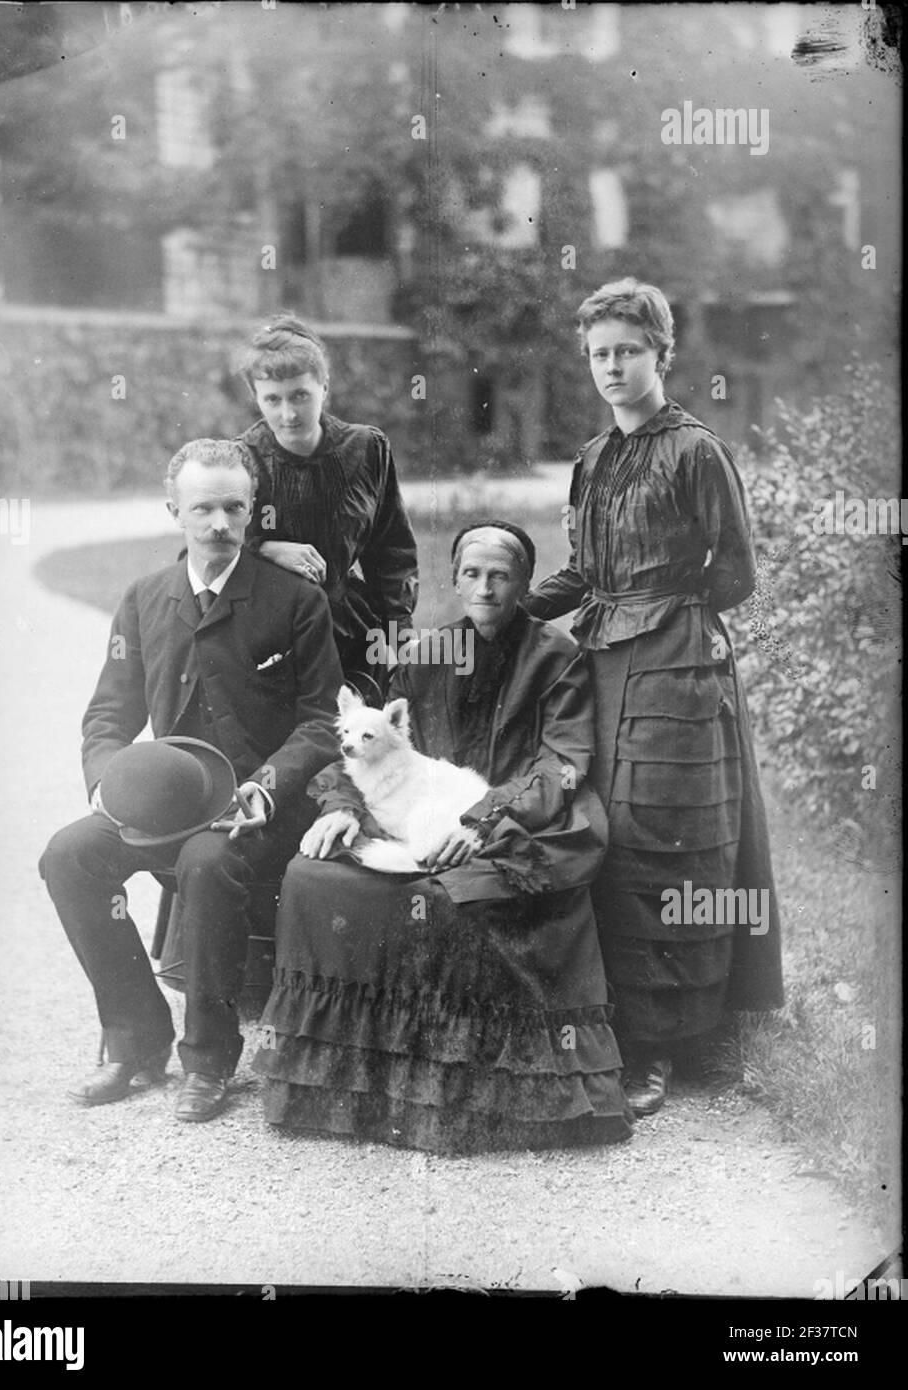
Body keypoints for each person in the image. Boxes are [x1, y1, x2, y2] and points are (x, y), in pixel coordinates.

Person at [253, 522, 634, 1153]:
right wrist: (344, 806)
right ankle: (349, 1086)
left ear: (524, 583)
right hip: (421, 808)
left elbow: (560, 764)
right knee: (311, 876)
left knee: (447, 897)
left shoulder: (556, 656)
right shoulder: (429, 653)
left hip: (521, 819)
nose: (485, 588)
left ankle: (463, 1095)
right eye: (471, 574)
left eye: (501, 576)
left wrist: (483, 820)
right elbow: (376, 743)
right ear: (454, 580)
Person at [522, 277, 784, 1117]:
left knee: (669, 842)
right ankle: (618, 1020)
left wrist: (669, 615)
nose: (611, 367)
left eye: (627, 351)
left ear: (660, 354)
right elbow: (584, 571)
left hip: (677, 670)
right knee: (610, 833)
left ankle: (667, 1041)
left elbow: (735, 571)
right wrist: (510, 613)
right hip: (603, 667)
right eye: (598, 354)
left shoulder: (695, 450)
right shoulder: (592, 458)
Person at [40, 439, 344, 1123]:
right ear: (173, 510)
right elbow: (109, 714)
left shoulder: (293, 601)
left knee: (207, 864)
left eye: (234, 508)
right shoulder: (145, 598)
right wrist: (107, 783)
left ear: (252, 510)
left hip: (257, 810)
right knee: (69, 856)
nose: (219, 525)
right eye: (202, 508)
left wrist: (266, 787)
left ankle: (208, 1059)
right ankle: (135, 1039)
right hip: (166, 800)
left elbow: (322, 720)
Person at [237, 313, 419, 680]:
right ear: (256, 398)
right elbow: (205, 552)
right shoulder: (240, 460)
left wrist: (401, 638)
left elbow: (391, 552)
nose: (288, 414)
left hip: (349, 636)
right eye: (272, 399)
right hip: (267, 639)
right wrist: (264, 549)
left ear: (324, 386)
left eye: (300, 395)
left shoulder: (365, 448)